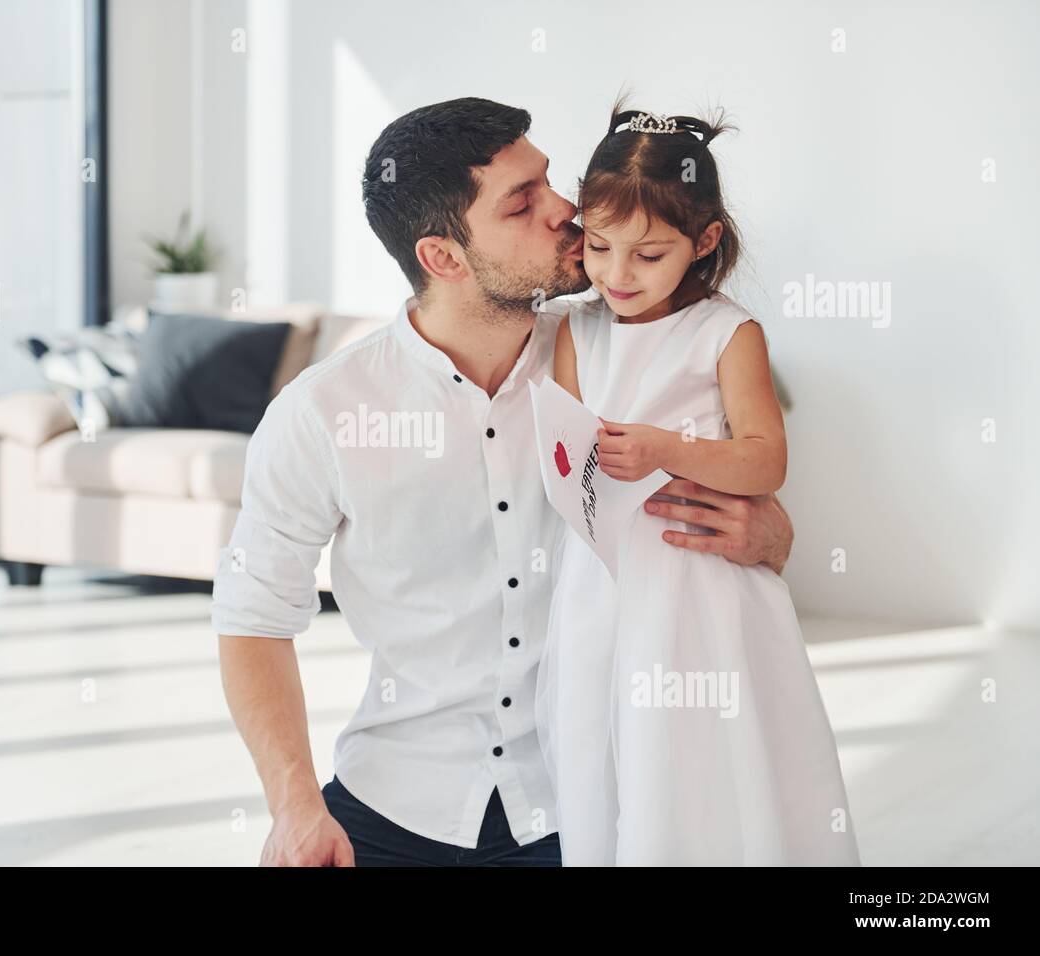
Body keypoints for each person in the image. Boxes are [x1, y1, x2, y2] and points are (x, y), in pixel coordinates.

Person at [211, 97, 796, 866]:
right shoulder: (323, 413)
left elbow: (744, 477)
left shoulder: (616, 350)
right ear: (444, 257)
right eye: (524, 204)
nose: (567, 212)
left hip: (585, 800)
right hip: (392, 808)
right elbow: (254, 616)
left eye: (551, 182)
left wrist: (772, 533)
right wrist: (294, 808)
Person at [536, 101, 860, 865]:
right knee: (610, 746)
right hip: (602, 584)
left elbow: (763, 460)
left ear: (704, 240)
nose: (617, 274)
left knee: (708, 748)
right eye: (602, 246)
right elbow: (564, 449)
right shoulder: (576, 331)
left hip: (704, 578)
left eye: (649, 256)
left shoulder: (726, 333)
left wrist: (663, 448)